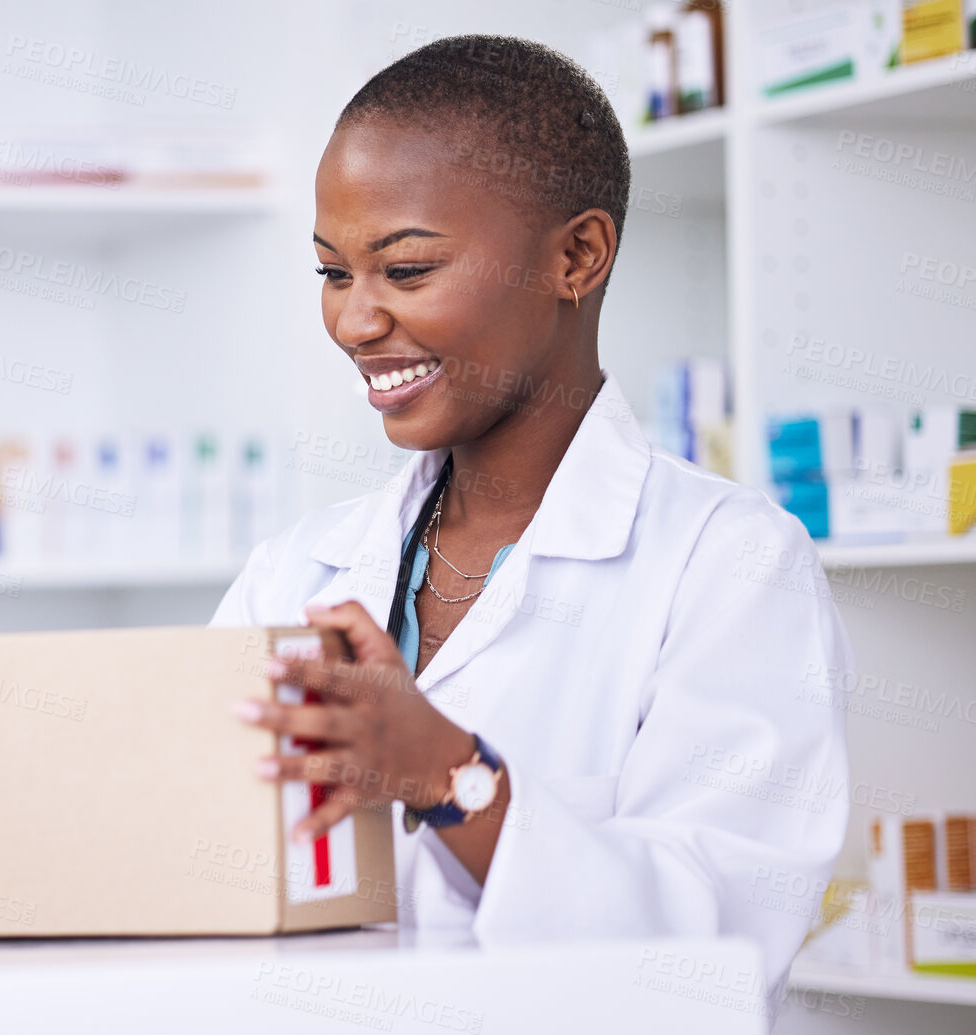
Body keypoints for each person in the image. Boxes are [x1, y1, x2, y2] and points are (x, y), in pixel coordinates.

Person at [216, 35, 848, 996]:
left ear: (577, 256)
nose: (353, 321)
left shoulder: (727, 566)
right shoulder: (298, 571)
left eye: (409, 268)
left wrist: (453, 777)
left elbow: (715, 950)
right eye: (333, 273)